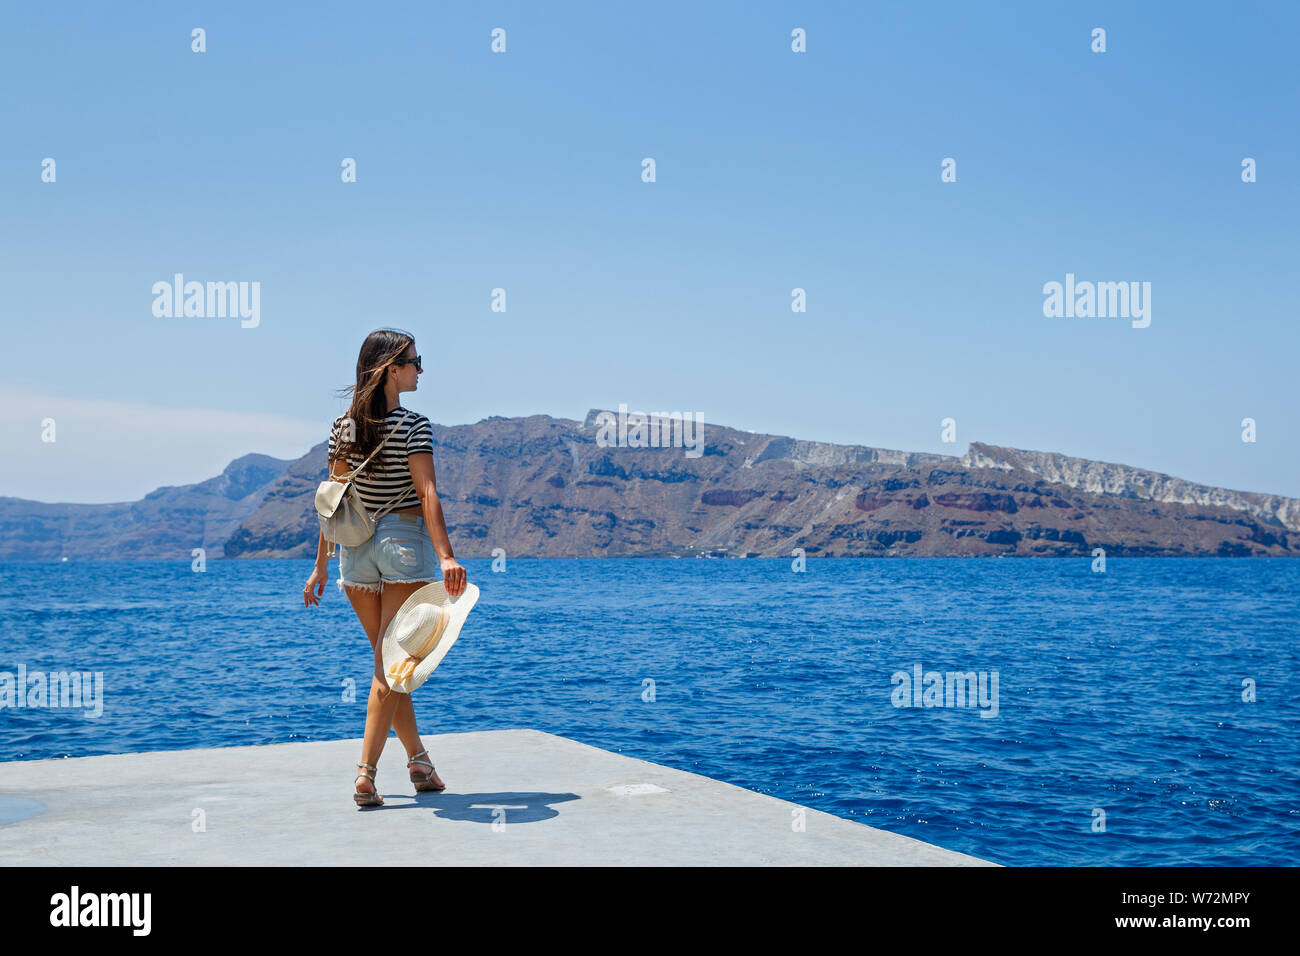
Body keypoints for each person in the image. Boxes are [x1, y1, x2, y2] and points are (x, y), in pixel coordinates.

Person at [302, 328, 468, 807]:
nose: (420, 369)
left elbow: (332, 503)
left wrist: (320, 567)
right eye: (415, 361)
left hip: (354, 552)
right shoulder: (415, 424)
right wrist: (447, 556)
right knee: (390, 667)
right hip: (401, 546)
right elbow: (427, 492)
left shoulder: (344, 427)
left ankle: (418, 760)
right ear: (391, 369)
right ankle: (365, 775)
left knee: (388, 664)